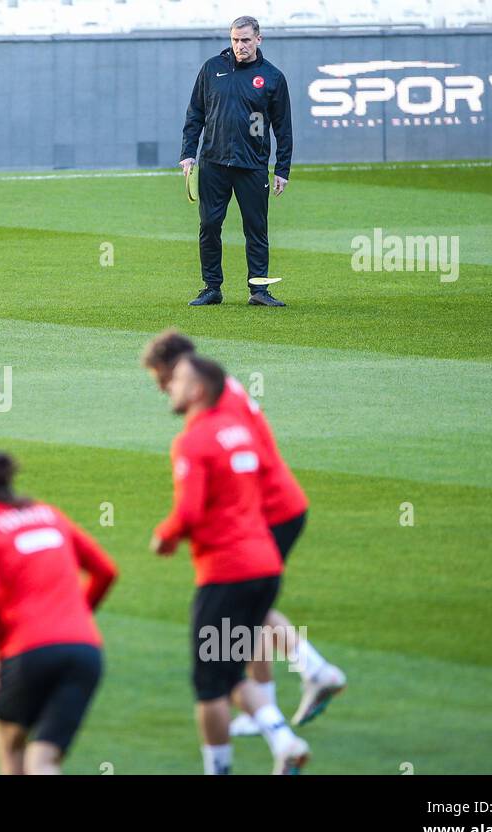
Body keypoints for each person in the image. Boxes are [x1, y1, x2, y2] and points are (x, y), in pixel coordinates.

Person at [141, 330, 346, 733]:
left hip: (267, 509)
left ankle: (314, 669)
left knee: (243, 599)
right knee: (245, 609)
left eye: (165, 379)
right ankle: (267, 700)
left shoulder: (220, 405)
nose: (165, 389)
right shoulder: (225, 390)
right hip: (267, 506)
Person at [148, 353, 309, 774]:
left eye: (178, 380)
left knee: (209, 687)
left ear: (199, 391)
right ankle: (283, 738)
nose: (168, 385)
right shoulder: (237, 431)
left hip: (227, 575)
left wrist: (164, 538)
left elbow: (189, 512)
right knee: (230, 670)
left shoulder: (193, 441)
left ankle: (219, 769)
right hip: (264, 568)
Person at [0, 450, 117, 775]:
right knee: (43, 759)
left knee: (9, 743)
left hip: (29, 652)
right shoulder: (47, 514)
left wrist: (1, 653)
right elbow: (105, 571)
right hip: (86, 652)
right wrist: (76, 618)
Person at [180, 15, 293, 307]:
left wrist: (282, 169)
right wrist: (188, 153)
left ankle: (259, 290)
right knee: (209, 226)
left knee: (256, 229)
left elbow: (283, 128)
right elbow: (195, 114)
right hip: (214, 163)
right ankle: (211, 288)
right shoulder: (212, 69)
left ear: (258, 39)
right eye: (235, 40)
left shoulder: (272, 77)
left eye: (245, 40)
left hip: (253, 166)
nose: (240, 46)